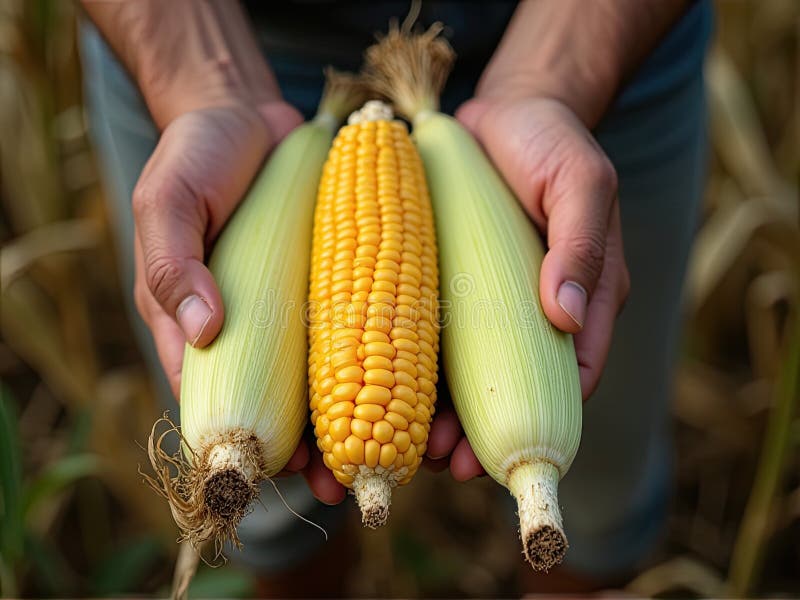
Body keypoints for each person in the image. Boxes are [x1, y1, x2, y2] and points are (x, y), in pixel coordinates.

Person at [79, 0, 711, 592]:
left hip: (590, 41)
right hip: (207, 48)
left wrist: (552, 77)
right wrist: (202, 80)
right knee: (267, 525)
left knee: (600, 491)